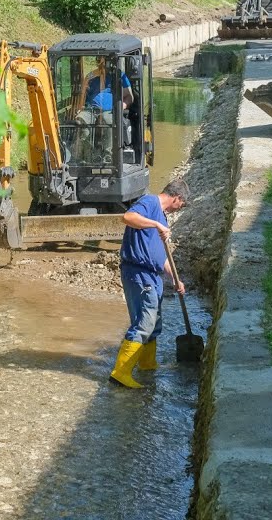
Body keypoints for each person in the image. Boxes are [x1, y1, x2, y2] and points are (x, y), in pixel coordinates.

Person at [109, 179, 189, 389]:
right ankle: (121, 373)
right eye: (182, 204)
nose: (179, 208)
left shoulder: (162, 217)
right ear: (177, 198)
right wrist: (155, 224)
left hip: (153, 275)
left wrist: (175, 278)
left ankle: (147, 365)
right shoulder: (150, 202)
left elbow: (160, 256)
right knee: (145, 321)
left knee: (155, 323)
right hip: (139, 272)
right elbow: (127, 217)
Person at [77, 57, 133, 156]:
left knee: (109, 121)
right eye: (99, 62)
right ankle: (87, 155)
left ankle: (108, 155)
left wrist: (122, 107)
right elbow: (82, 95)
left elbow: (129, 96)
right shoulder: (90, 76)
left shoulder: (120, 76)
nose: (102, 66)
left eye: (104, 63)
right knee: (80, 120)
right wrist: (80, 108)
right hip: (90, 109)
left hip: (109, 110)